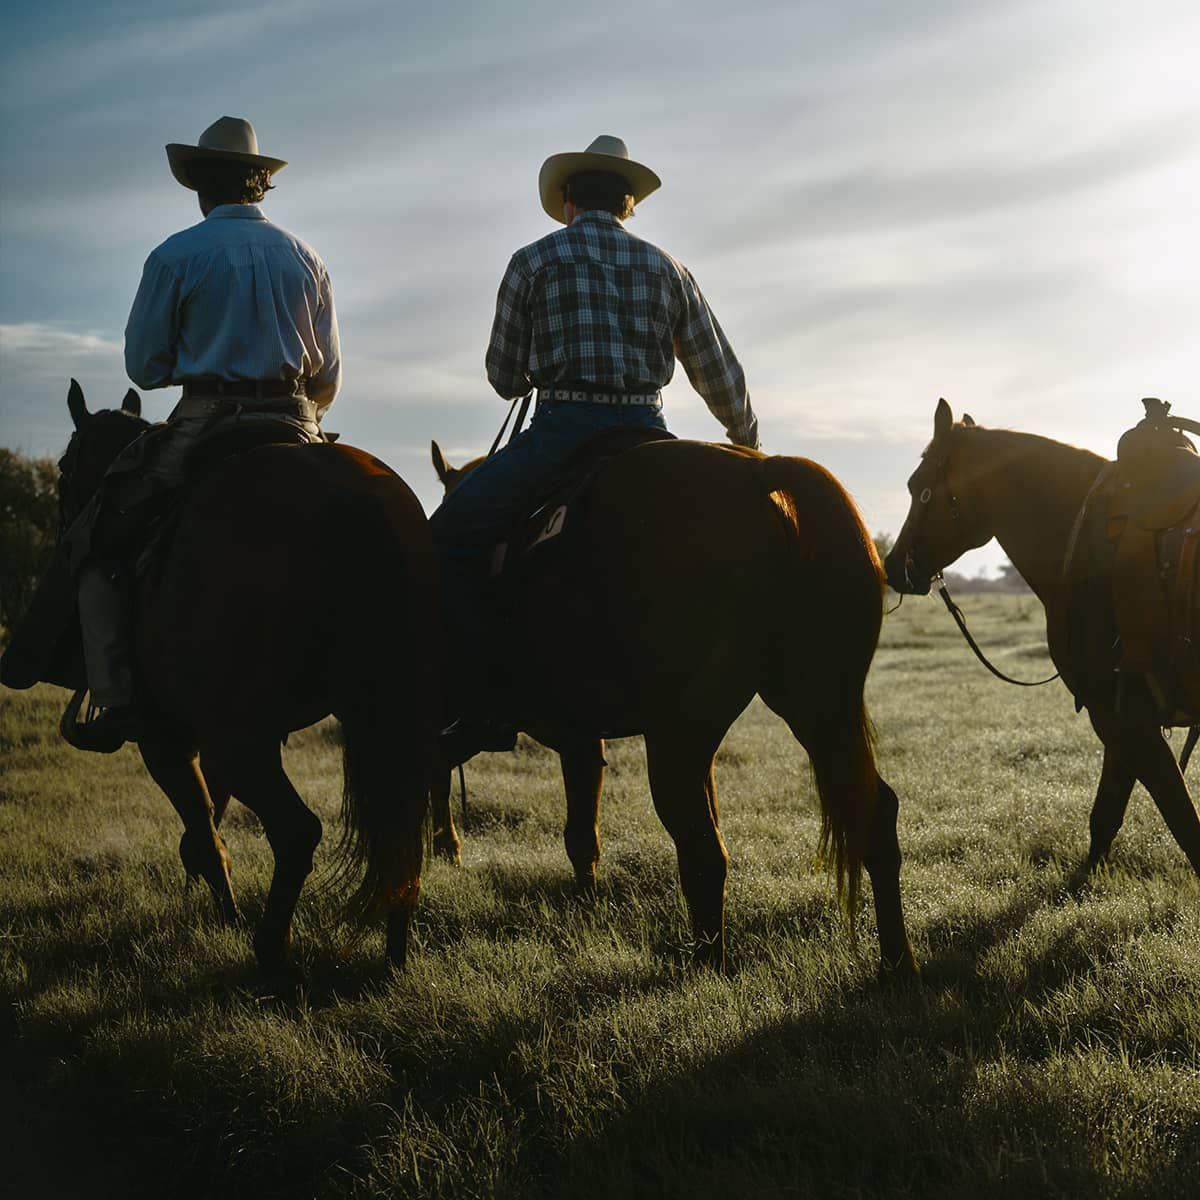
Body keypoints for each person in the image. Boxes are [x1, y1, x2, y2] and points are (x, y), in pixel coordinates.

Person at [431, 134, 759, 764]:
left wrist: (537, 364)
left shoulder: (533, 261)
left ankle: (479, 703)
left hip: (563, 429)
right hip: (649, 433)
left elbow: (503, 377)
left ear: (568, 199)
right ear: (629, 203)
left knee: (450, 535)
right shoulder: (668, 268)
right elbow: (718, 370)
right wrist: (745, 442)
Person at [22, 116, 341, 752]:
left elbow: (143, 367)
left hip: (207, 421)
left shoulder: (175, 255)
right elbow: (327, 375)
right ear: (259, 184)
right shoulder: (308, 258)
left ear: (199, 186)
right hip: (299, 423)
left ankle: (114, 697)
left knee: (96, 537)